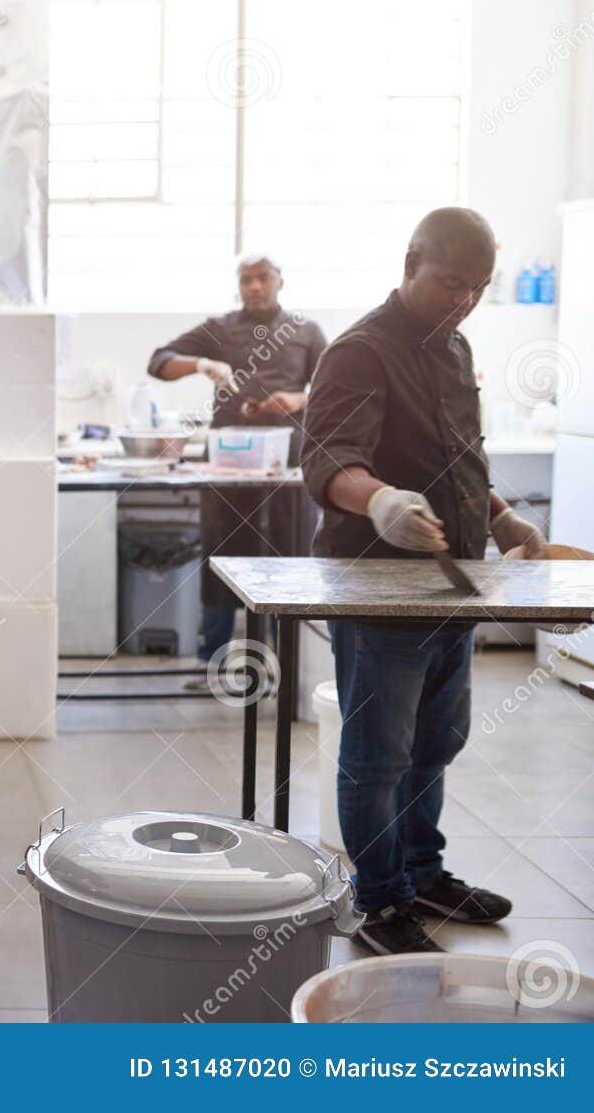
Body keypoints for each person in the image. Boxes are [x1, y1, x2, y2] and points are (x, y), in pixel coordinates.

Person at [302, 206, 542, 955]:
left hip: (453, 584)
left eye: (477, 288)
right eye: (450, 284)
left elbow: (457, 455)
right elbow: (325, 460)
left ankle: (420, 870)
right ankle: (379, 903)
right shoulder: (359, 352)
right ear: (411, 263)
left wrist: (501, 516)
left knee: (437, 740)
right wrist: (377, 499)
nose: (462, 300)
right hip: (378, 590)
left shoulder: (454, 347)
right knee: (378, 753)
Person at [148, 254, 327, 675]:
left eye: (262, 278)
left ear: (280, 281)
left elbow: (337, 386)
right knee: (222, 553)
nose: (254, 286)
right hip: (228, 461)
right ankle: (212, 660)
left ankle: (287, 665)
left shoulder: (306, 330)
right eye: (246, 279)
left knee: (289, 553)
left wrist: (300, 399)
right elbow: (158, 361)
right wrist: (201, 364)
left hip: (287, 463)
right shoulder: (218, 329)